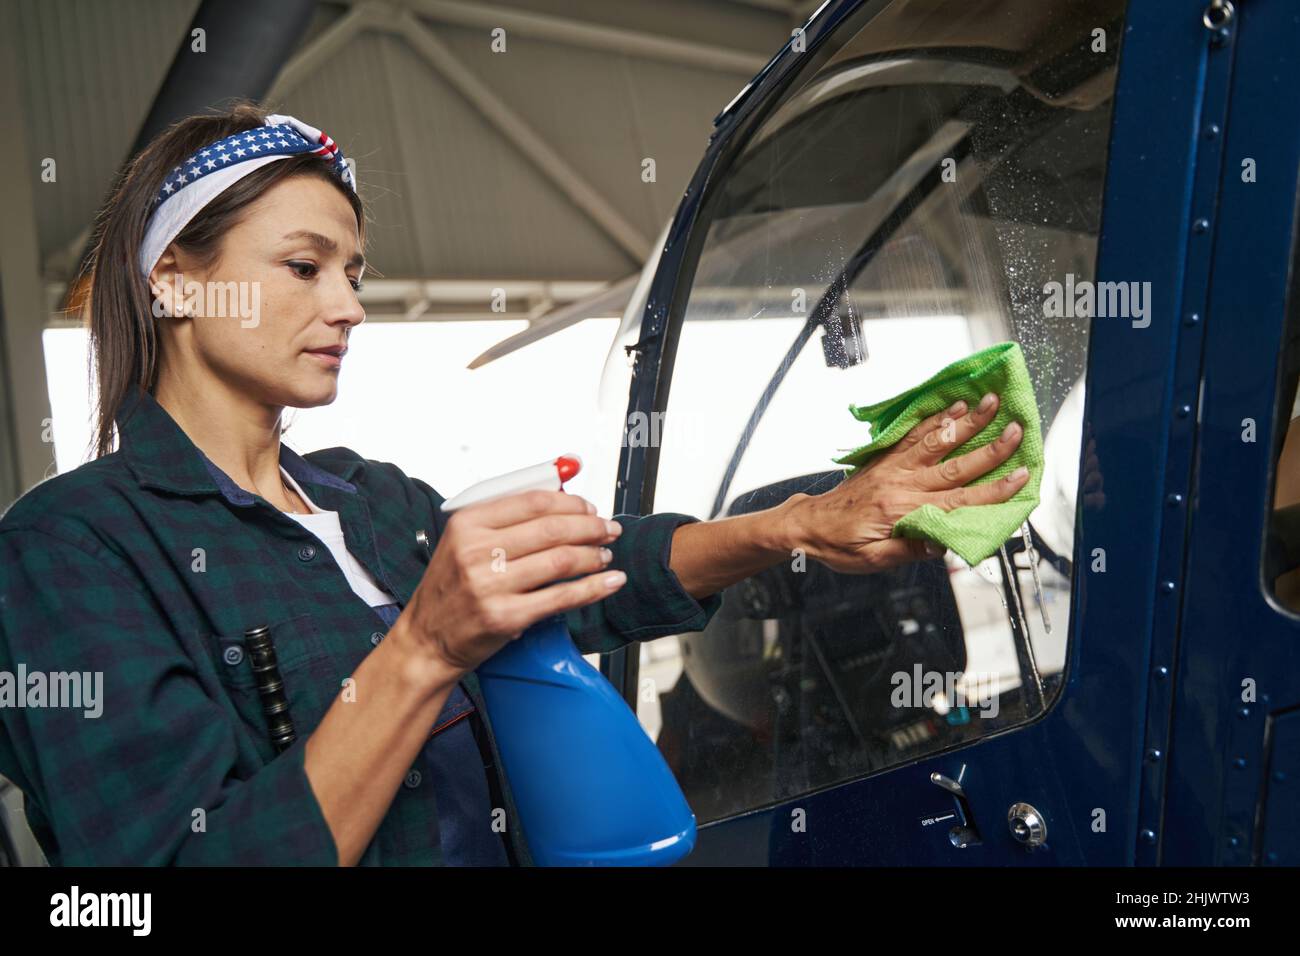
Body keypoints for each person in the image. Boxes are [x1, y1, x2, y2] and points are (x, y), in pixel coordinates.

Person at [0, 101, 1029, 866]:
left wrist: (799, 522)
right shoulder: (72, 548)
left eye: (354, 272)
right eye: (304, 266)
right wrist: (424, 646)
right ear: (173, 279)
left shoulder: (370, 499)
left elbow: (596, 565)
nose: (349, 306)